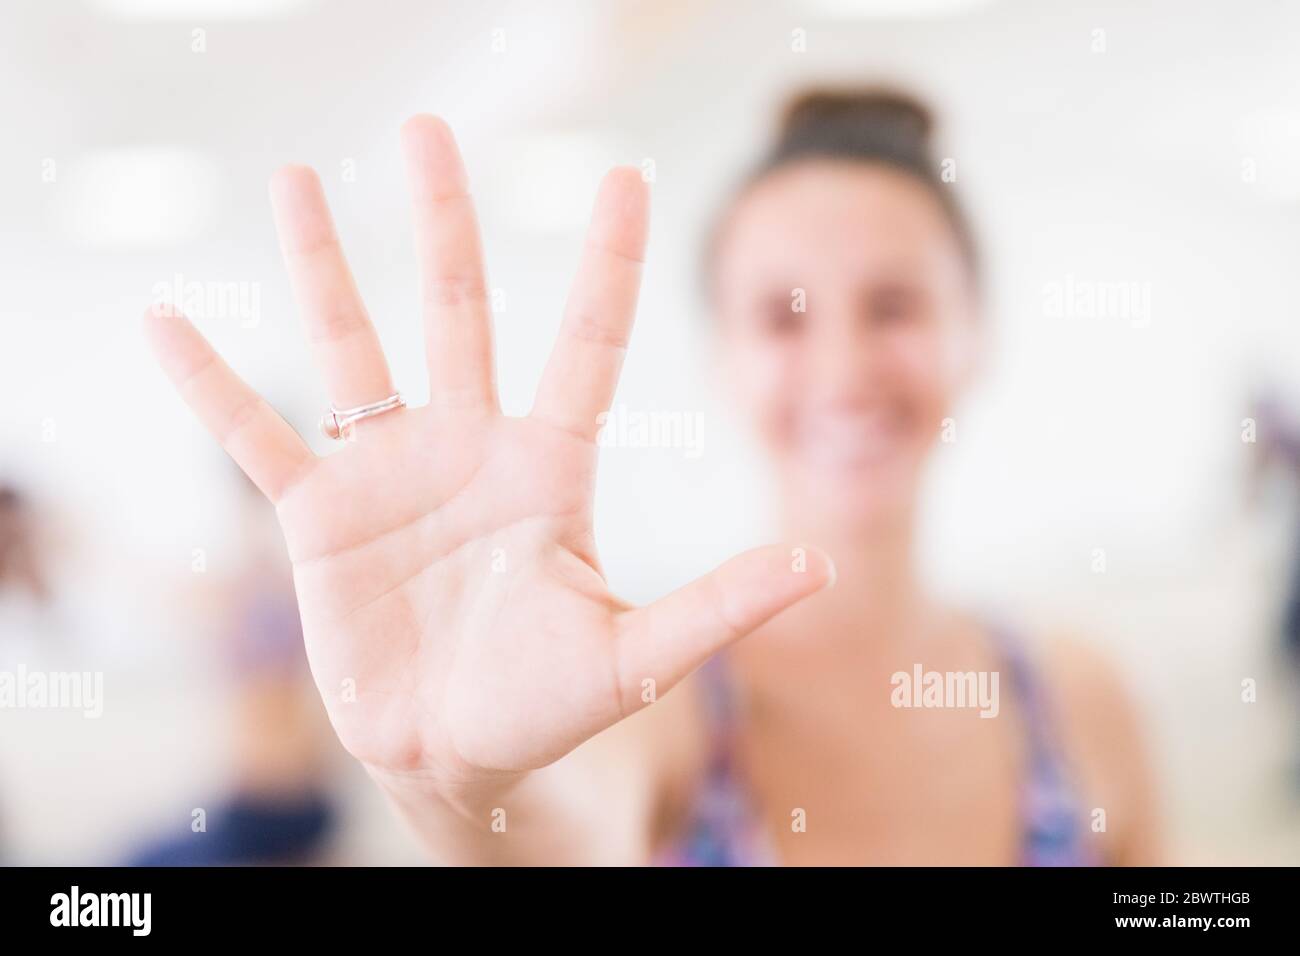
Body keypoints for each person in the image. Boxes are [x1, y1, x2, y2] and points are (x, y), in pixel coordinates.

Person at [143, 89, 1160, 865]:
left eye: (894, 305)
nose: (844, 367)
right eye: (783, 315)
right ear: (721, 359)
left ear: (971, 337)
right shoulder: (657, 700)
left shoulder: (1079, 696)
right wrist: (455, 783)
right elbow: (545, 836)